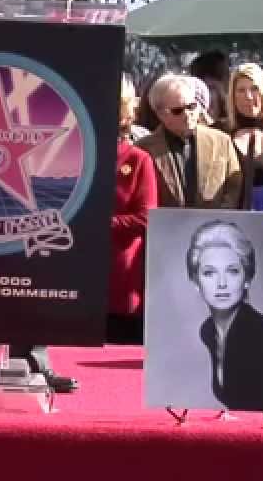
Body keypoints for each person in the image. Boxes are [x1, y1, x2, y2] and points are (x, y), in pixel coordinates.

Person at [188, 220, 263, 412]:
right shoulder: (208, 330)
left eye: (232, 271)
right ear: (196, 281)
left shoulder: (255, 332)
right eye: (209, 273)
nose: (221, 283)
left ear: (247, 278)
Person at [136, 74, 243, 209]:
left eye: (191, 106)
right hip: (166, 227)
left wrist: (219, 218)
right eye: (178, 111)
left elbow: (233, 186)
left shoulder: (222, 142)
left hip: (213, 226)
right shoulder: (143, 149)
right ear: (160, 114)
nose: (187, 115)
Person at [109, 75, 157, 344]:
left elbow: (145, 218)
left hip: (121, 280)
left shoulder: (138, 159)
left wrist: (95, 223)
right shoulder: (69, 154)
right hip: (72, 283)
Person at [225, 62, 263, 205]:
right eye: (241, 90)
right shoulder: (220, 133)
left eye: (254, 89)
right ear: (232, 96)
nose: (248, 96)